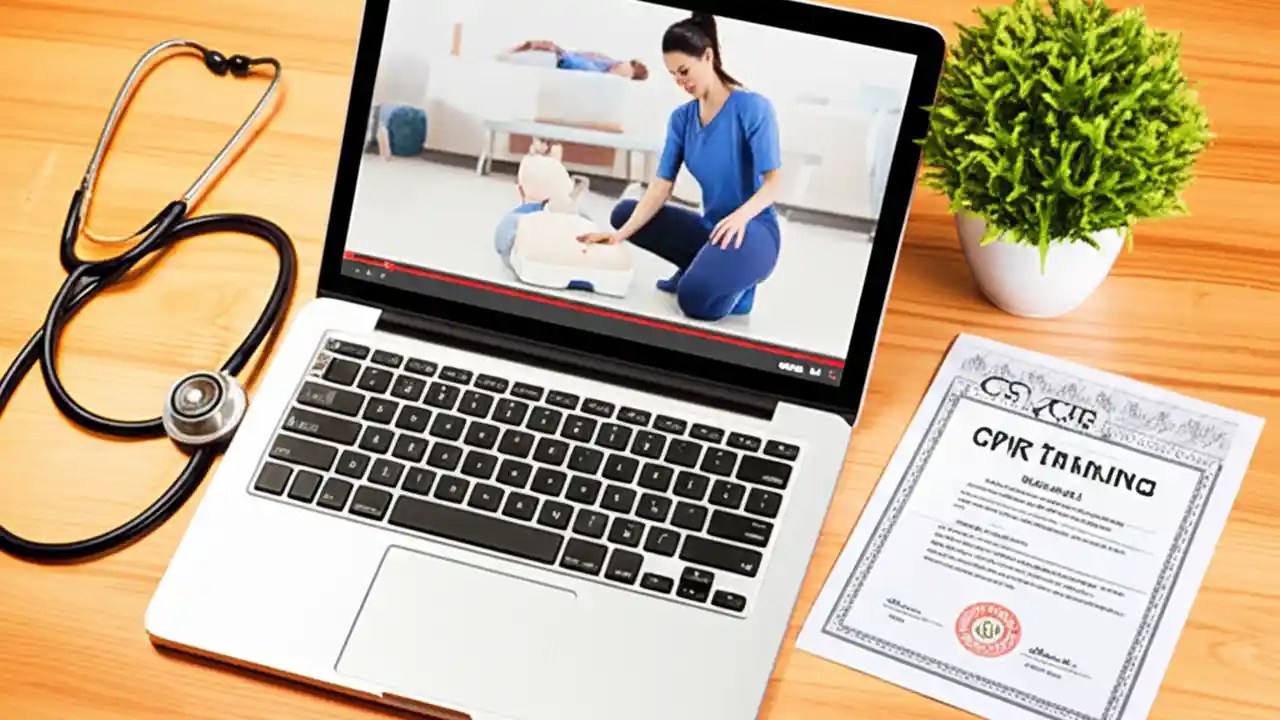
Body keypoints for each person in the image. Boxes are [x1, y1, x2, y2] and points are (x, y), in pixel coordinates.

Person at [577, 13, 782, 321]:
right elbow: (661, 186)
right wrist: (618, 237)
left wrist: (740, 217)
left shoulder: (753, 108)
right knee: (623, 213)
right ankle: (701, 264)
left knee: (694, 301)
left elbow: (774, 183)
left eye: (684, 70)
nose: (680, 81)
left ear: (708, 56)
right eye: (673, 74)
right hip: (711, 231)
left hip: (753, 231)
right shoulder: (682, 119)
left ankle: (740, 284)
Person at [508, 40, 649, 80]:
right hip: (558, 57)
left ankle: (506, 55)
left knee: (518, 59)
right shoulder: (608, 62)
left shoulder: (610, 79)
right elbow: (586, 54)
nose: (625, 66)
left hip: (558, 64)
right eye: (629, 64)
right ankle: (507, 53)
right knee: (537, 46)